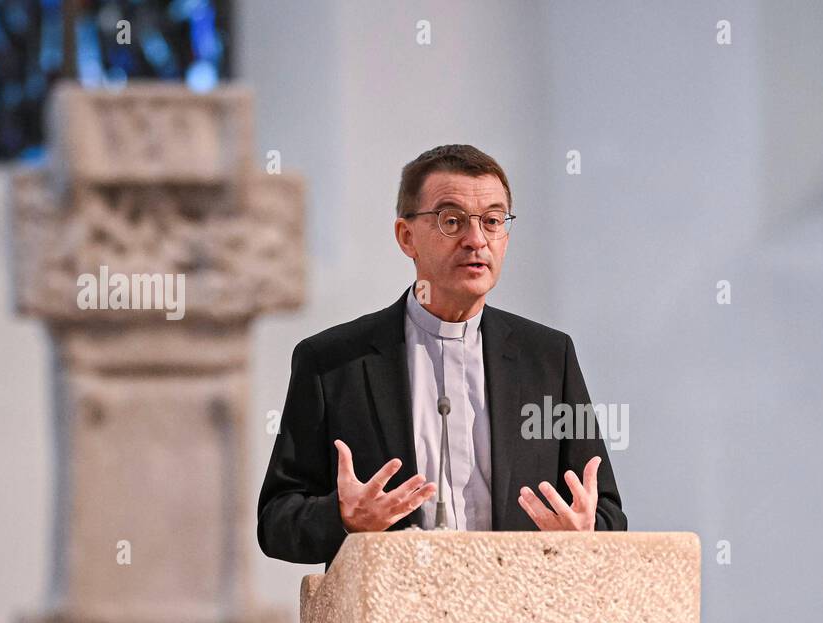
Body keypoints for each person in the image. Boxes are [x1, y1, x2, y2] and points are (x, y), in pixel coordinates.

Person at [257, 144, 627, 568]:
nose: (476, 240)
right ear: (406, 236)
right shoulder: (333, 362)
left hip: (518, 618)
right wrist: (344, 518)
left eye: (492, 221)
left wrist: (583, 535)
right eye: (452, 221)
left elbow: (608, 515)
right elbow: (276, 522)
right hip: (393, 622)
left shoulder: (549, 359)